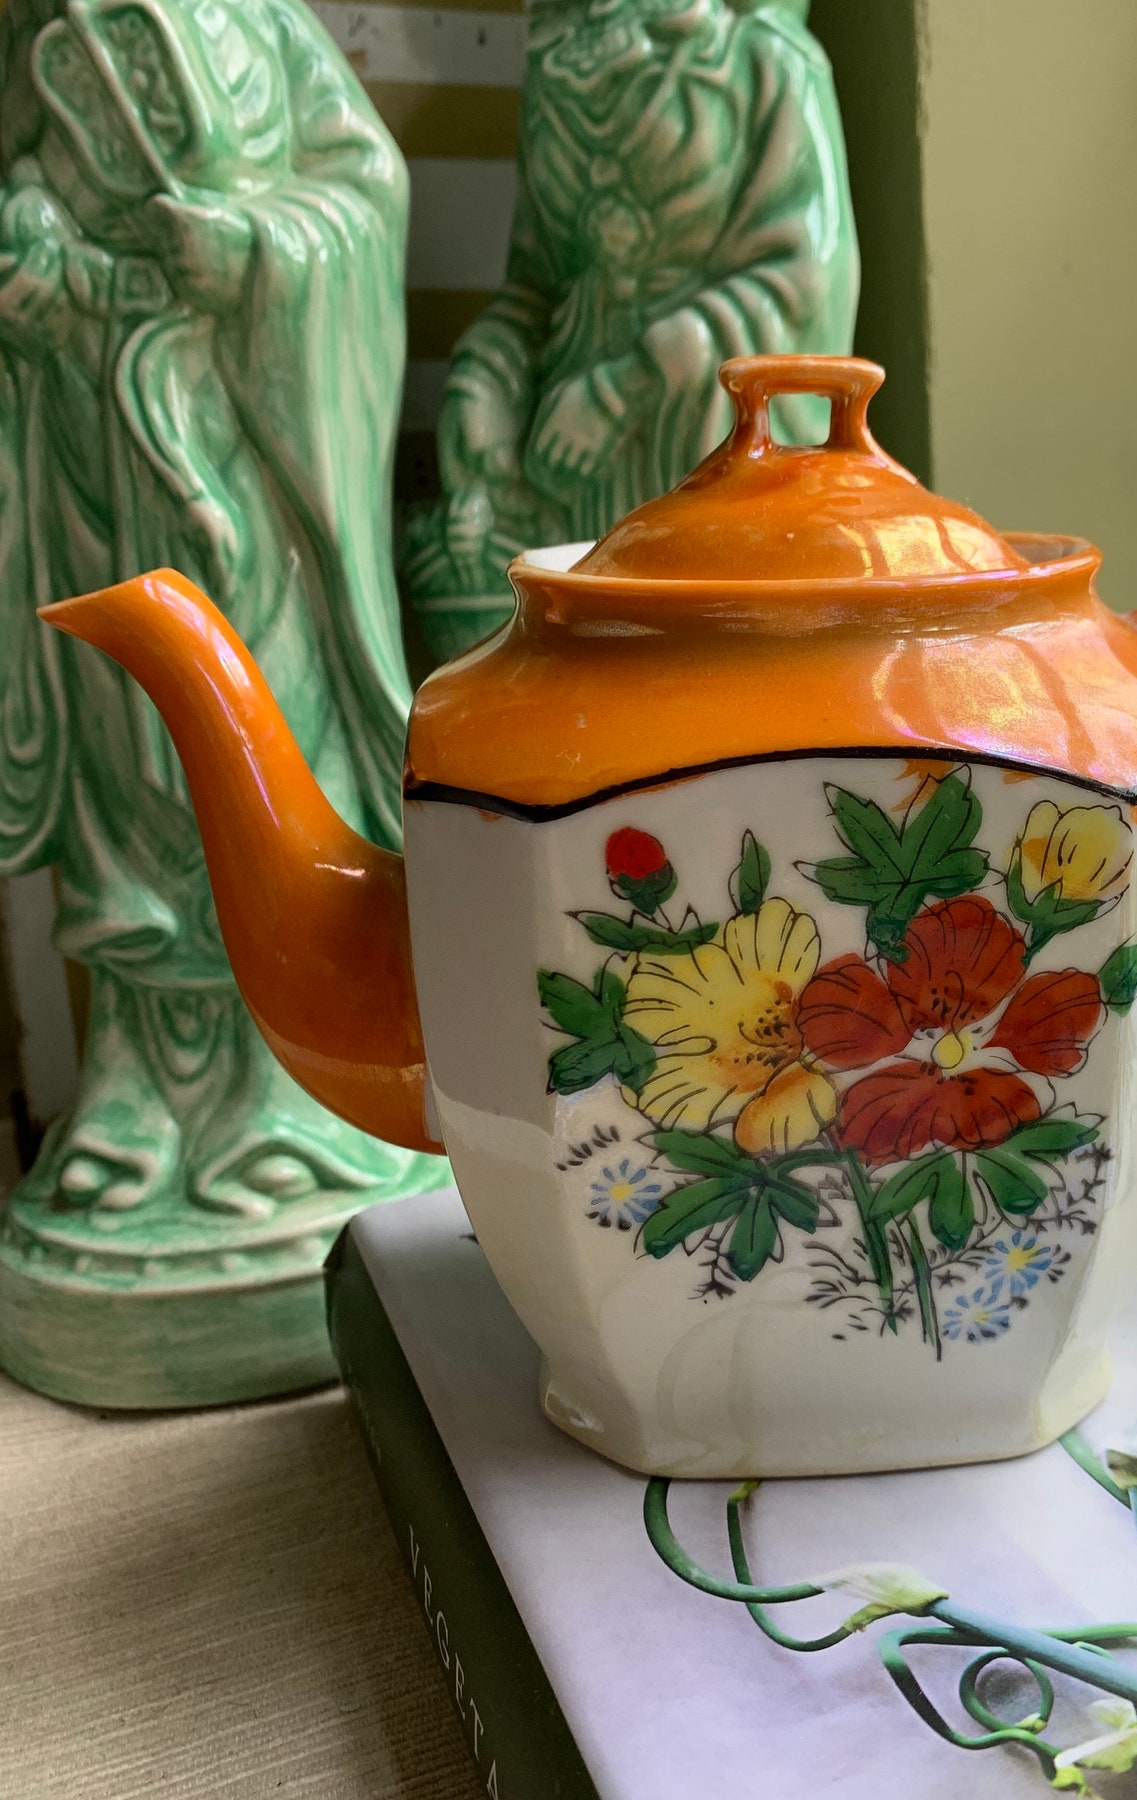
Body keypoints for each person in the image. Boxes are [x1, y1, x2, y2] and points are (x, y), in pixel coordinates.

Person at [0, 0, 429, 1214]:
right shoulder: (45, 35)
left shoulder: (266, 33)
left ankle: (286, 1081)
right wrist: (32, 251)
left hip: (240, 453)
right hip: (92, 440)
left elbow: (360, 190)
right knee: (124, 773)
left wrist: (256, 256)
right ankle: (136, 1078)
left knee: (259, 733)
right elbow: (25, 170)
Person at [403, 0, 859, 659]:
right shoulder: (559, 68)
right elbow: (537, 283)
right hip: (562, 450)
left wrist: (631, 385)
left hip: (695, 432)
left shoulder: (763, 60)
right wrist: (488, 377)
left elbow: (808, 276)